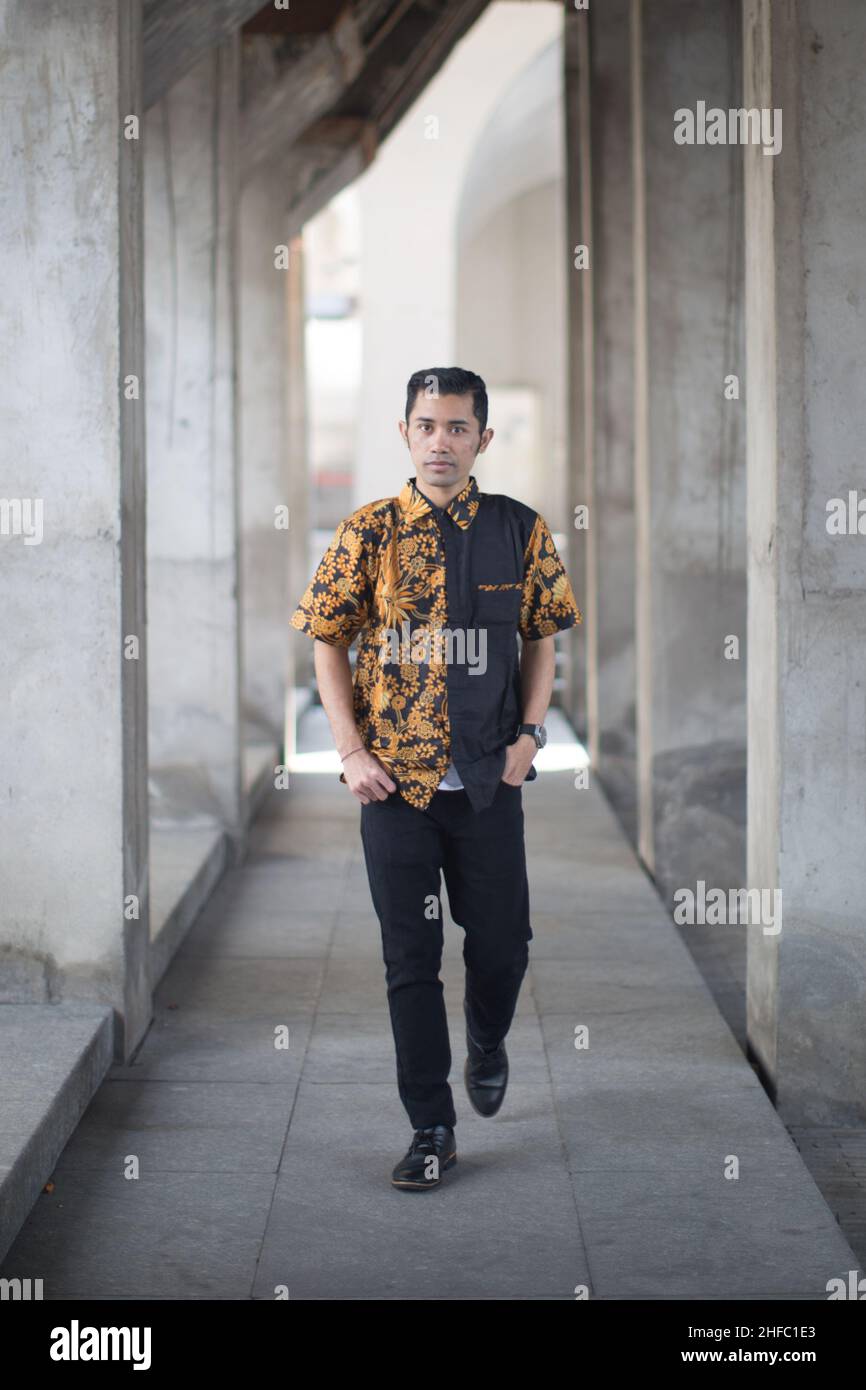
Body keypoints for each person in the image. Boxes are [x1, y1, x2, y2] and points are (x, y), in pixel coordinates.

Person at [290, 366, 582, 1190]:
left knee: (501, 946)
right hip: (395, 789)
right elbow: (326, 640)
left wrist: (530, 734)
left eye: (458, 427)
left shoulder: (519, 531)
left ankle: (487, 1039)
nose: (441, 441)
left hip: (490, 784)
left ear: (482, 438)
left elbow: (541, 638)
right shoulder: (367, 533)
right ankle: (430, 1127)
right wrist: (350, 751)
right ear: (405, 433)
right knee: (409, 958)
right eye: (427, 425)